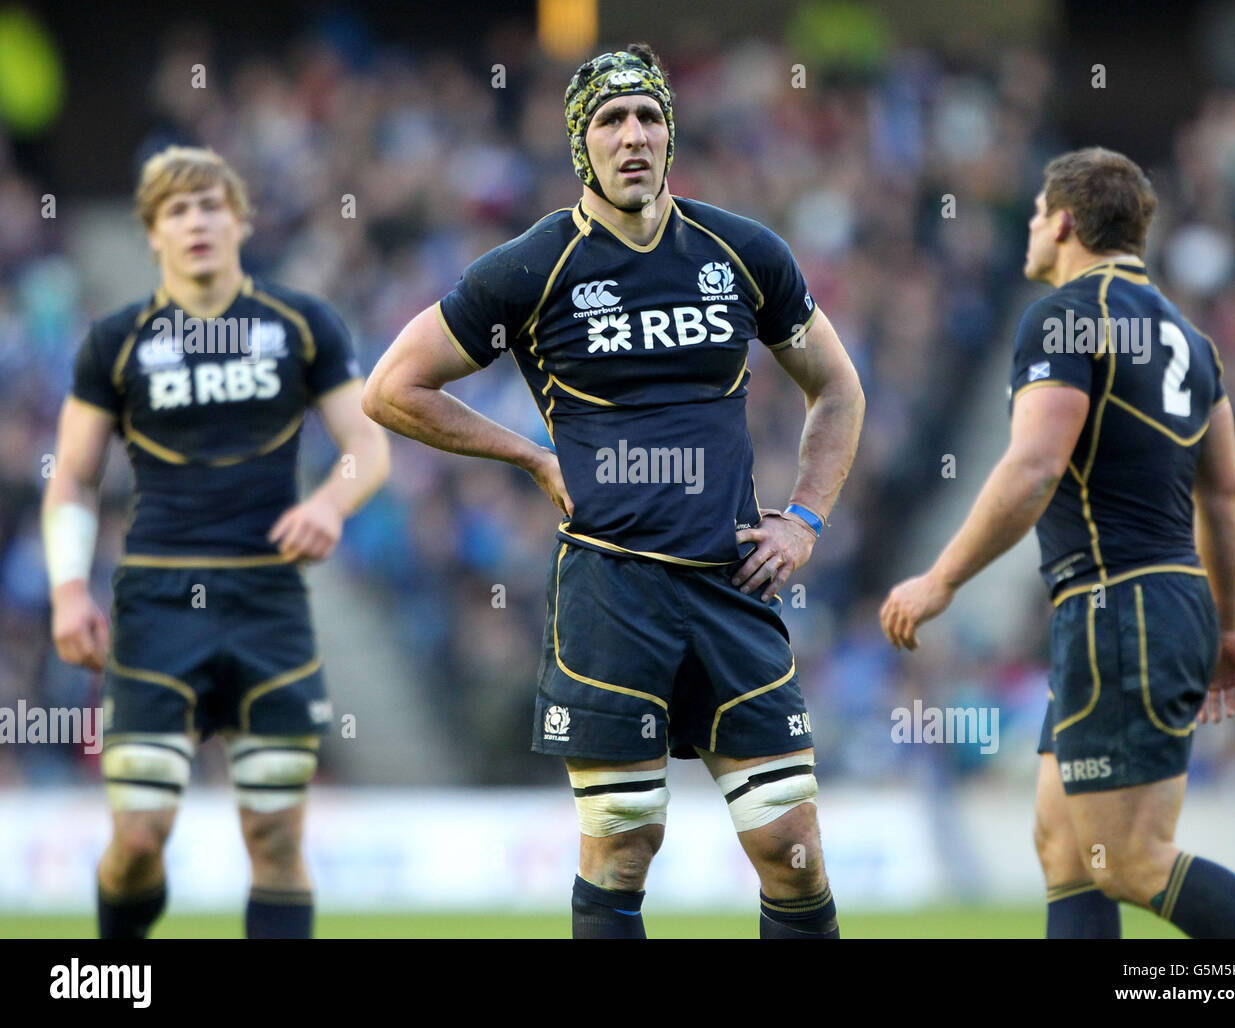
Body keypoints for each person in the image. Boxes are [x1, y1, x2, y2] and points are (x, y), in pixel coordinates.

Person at [364, 44, 864, 939]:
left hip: (731, 585)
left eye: (648, 119)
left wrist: (808, 519)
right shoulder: (532, 267)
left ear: (670, 136)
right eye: (609, 120)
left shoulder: (743, 252)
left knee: (793, 849)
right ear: (579, 143)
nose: (632, 136)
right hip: (610, 593)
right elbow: (392, 387)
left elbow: (838, 387)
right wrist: (531, 457)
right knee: (622, 850)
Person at [879, 147, 1235, 938]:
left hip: (1116, 607)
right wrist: (1227, 627)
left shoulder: (1065, 315)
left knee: (1127, 860)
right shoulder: (1190, 341)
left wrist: (942, 579)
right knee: (1065, 850)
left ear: (1063, 221)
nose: (1030, 227)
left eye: (1036, 212)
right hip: (1156, 604)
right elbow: (1225, 494)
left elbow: (1034, 465)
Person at [44, 145, 390, 938]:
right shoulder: (116, 342)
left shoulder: (303, 323)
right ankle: (112, 977)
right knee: (138, 838)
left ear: (240, 220)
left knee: (274, 836)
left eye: (209, 206)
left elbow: (366, 447)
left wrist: (332, 506)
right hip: (157, 607)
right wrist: (67, 587)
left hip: (269, 603)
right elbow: (72, 478)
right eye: (176, 210)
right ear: (152, 233)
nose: (195, 221)